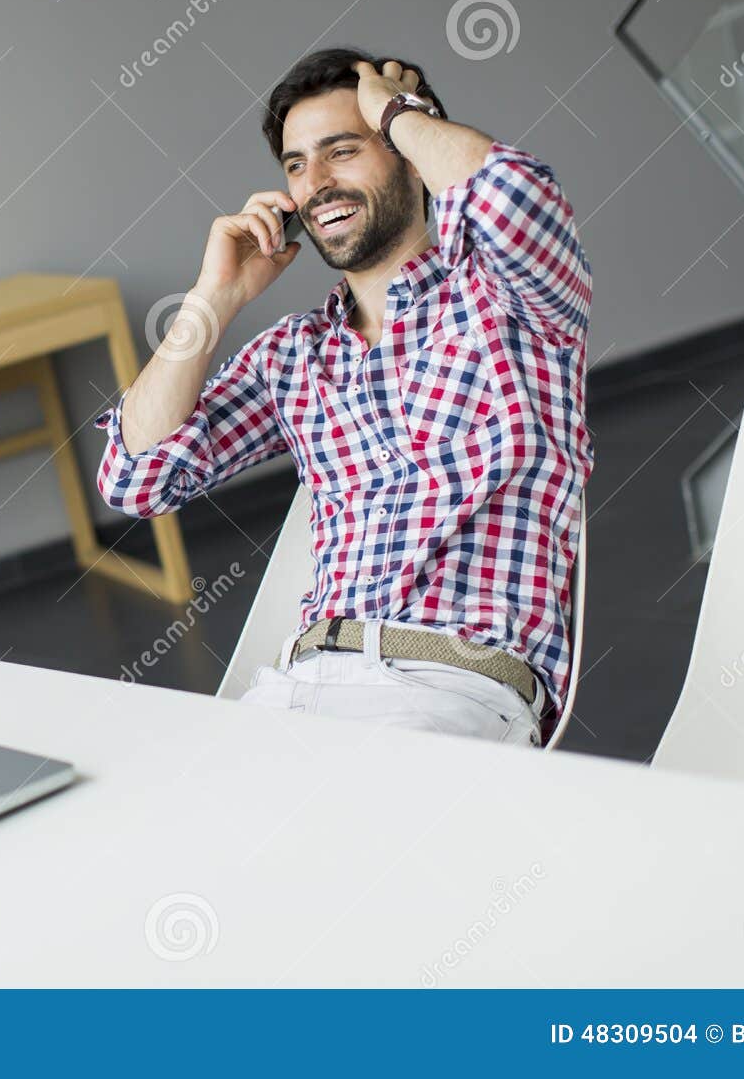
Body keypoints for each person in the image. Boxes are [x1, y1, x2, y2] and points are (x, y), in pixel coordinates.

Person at [92, 47, 592, 747]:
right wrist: (217, 294)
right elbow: (135, 475)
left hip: (455, 689)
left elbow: (509, 191)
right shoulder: (296, 355)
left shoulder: (510, 303)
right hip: (300, 684)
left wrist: (394, 109)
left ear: (410, 155)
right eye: (296, 165)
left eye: (343, 151)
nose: (316, 183)